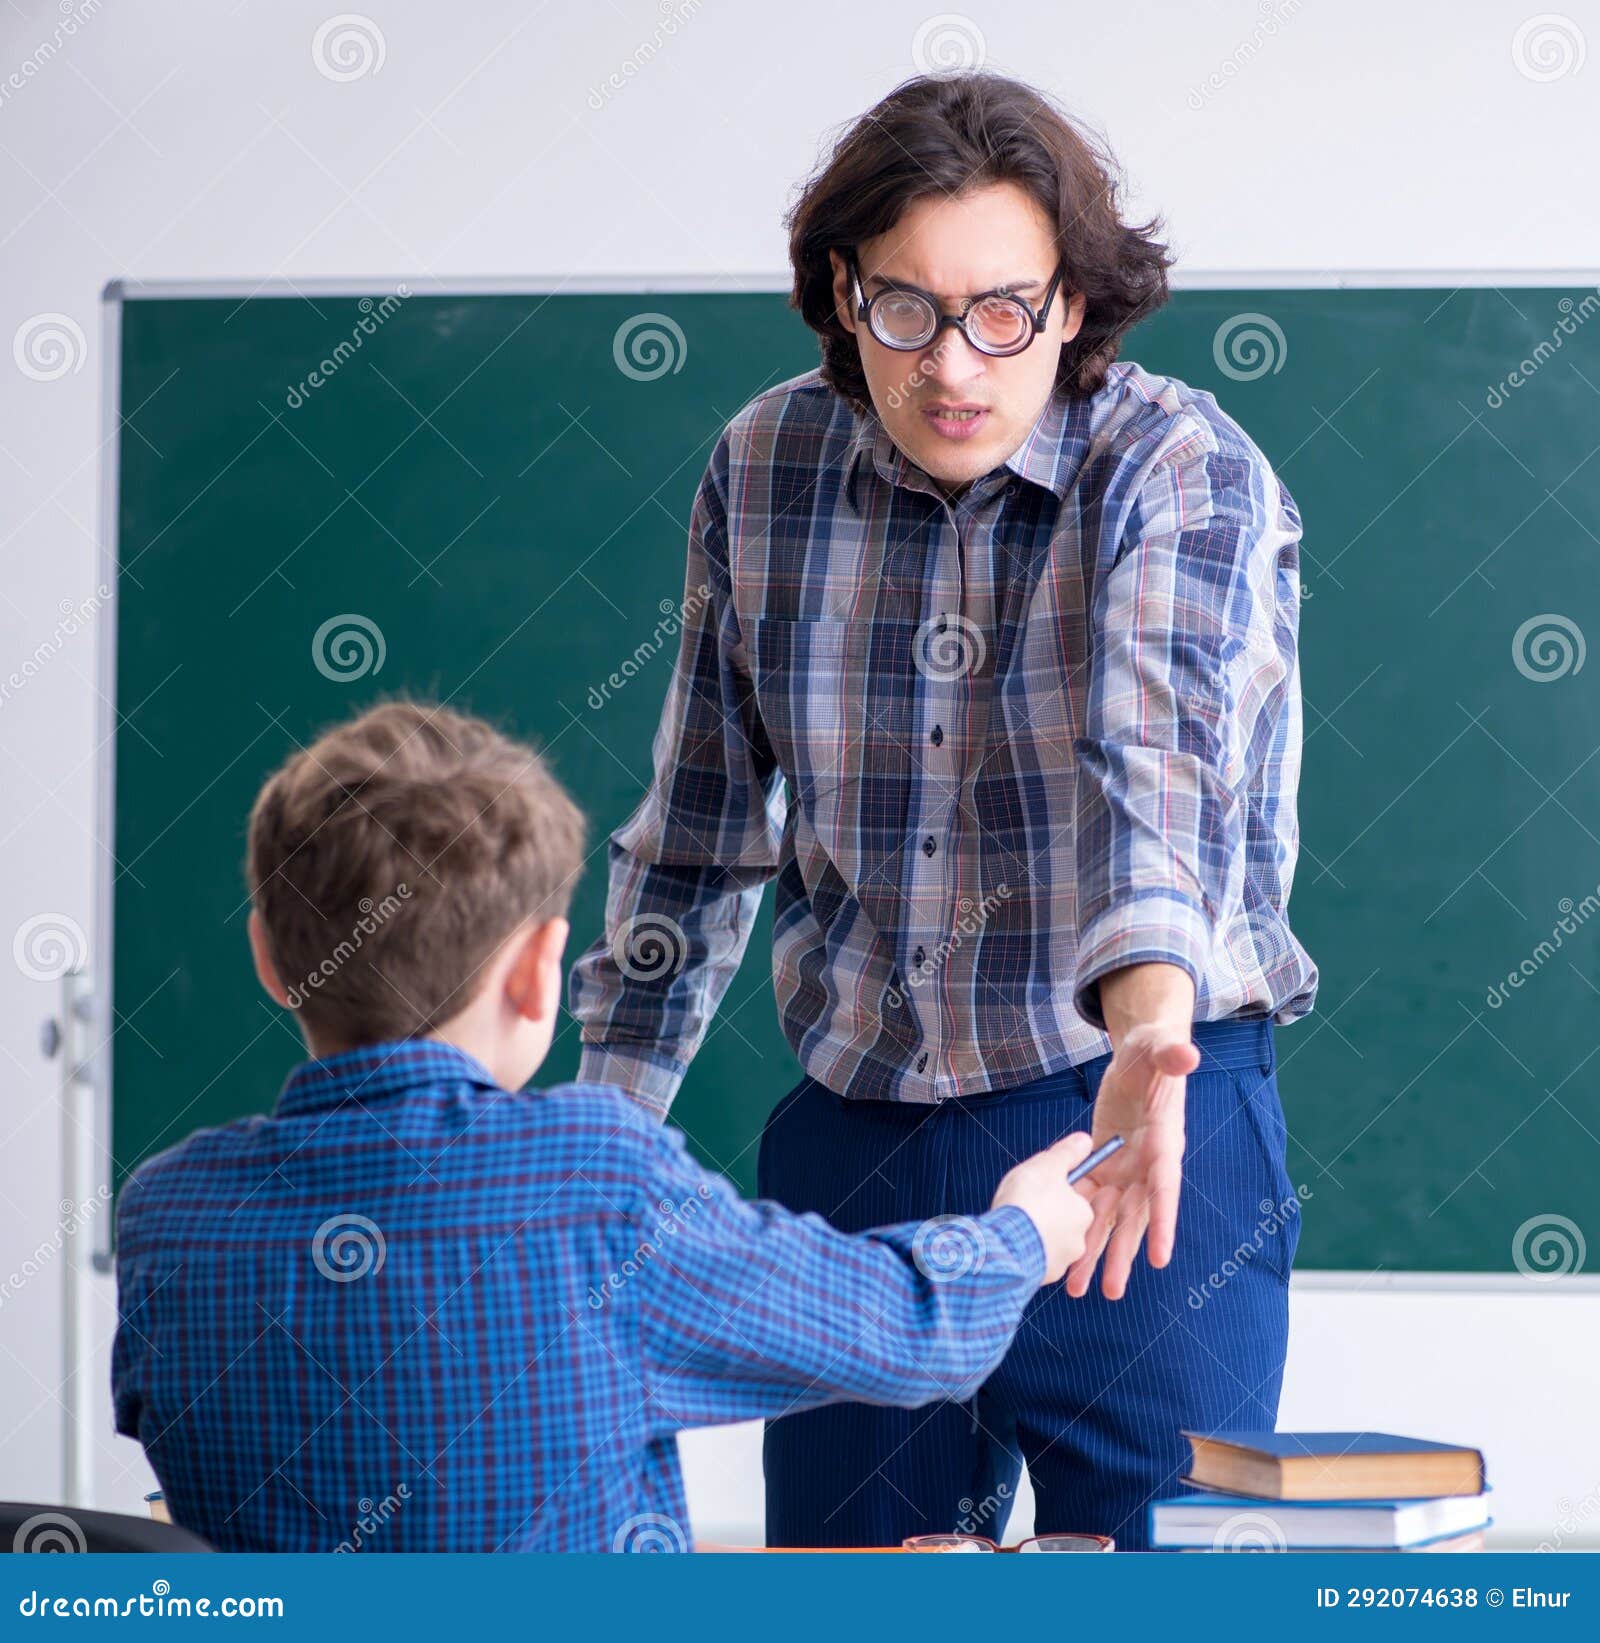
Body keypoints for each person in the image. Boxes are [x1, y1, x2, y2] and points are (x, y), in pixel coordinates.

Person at [569, 71, 1318, 1550]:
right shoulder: (764, 462)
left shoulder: (1178, 467)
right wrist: (597, 1142)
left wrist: (1148, 1042)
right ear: (840, 294)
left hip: (1134, 1113)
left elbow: (1154, 770)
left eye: (1004, 311)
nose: (953, 364)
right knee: (858, 1592)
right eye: (904, 306)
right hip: (862, 1146)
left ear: (1074, 302)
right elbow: (702, 824)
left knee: (1163, 1572)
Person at [111, 699, 1098, 1553]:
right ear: (541, 967)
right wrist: (1024, 1231)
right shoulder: (593, 1180)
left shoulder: (168, 1213)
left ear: (267, 957)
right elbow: (910, 1327)